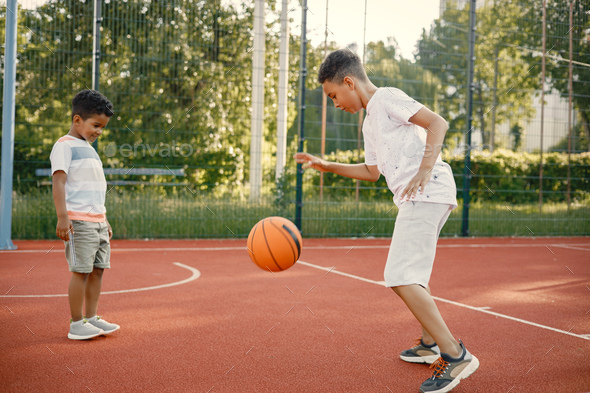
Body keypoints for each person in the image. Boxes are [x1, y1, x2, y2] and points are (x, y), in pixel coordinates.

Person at [294, 49, 478, 393]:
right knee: (413, 273)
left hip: (426, 192)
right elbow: (371, 172)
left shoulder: (388, 98)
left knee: (399, 276)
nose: (334, 103)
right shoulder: (369, 122)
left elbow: (437, 123)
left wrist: (424, 170)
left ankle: (455, 355)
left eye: (333, 95)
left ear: (349, 82)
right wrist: (326, 165)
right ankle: (429, 344)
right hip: (423, 195)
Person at [50, 89, 120, 340]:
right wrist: (62, 217)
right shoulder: (64, 146)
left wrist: (104, 218)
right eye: (96, 125)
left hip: (98, 221)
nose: (99, 131)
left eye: (102, 127)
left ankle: (91, 318)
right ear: (77, 120)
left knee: (98, 269)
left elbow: (95, 189)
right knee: (81, 270)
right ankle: (76, 323)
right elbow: (59, 183)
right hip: (78, 221)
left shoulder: (89, 147)